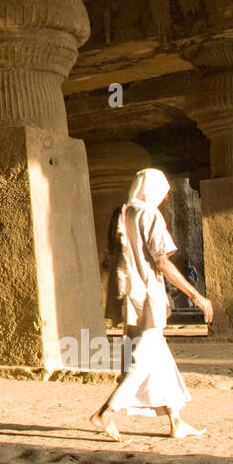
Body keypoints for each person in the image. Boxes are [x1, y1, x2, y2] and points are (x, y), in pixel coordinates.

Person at [90, 168, 213, 441]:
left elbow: (111, 258)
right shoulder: (149, 213)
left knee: (158, 357)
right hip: (147, 295)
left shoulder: (119, 213)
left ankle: (176, 422)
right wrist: (196, 295)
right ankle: (106, 411)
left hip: (128, 295)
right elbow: (162, 261)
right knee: (142, 359)